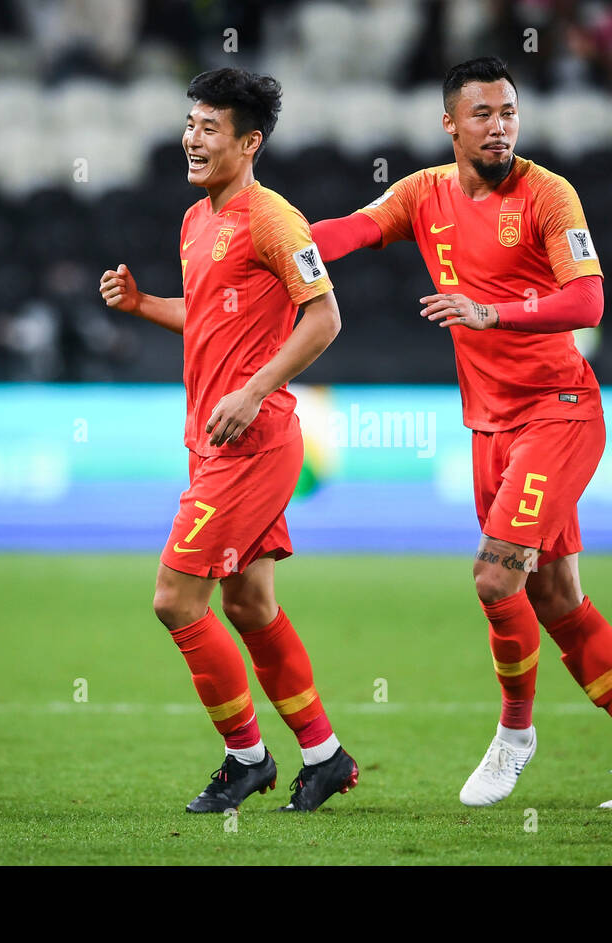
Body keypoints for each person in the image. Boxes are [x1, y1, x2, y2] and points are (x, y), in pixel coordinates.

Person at [311, 56, 612, 809]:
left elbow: (588, 302)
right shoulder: (422, 192)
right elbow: (350, 232)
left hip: (561, 411)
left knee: (495, 578)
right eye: (483, 113)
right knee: (556, 598)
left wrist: (496, 312)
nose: (500, 126)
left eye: (509, 112)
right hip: (490, 427)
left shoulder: (549, 193)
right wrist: (277, 240)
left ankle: (515, 735)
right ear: (450, 124)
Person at [99, 67, 358, 813]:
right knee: (248, 605)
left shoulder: (275, 219)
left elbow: (324, 318)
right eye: (191, 122)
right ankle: (326, 756)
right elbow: (212, 316)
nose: (192, 137)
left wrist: (252, 390)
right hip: (212, 438)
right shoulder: (196, 220)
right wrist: (144, 303)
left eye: (210, 128)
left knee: (176, 599)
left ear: (249, 143)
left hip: (254, 440)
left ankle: (246, 757)